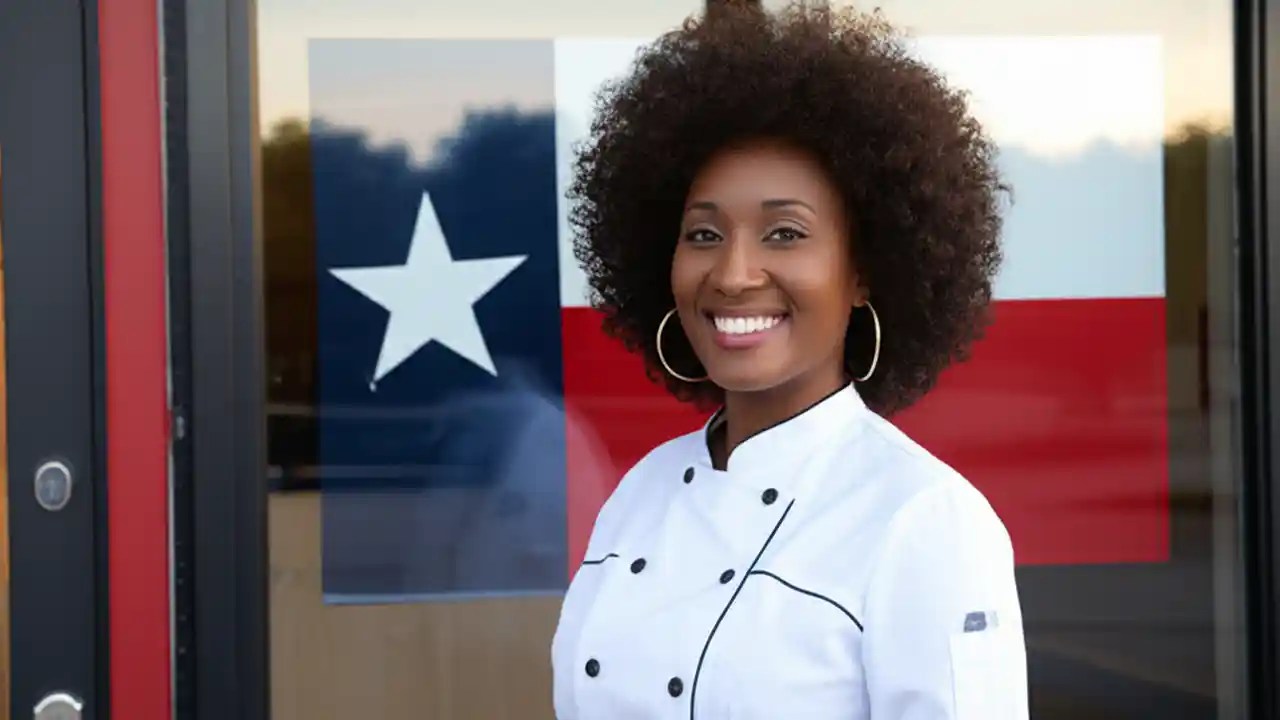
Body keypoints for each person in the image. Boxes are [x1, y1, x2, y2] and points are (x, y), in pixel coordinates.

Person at [551, 2, 1028, 718]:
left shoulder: (924, 521)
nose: (734, 274)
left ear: (864, 269)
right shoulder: (640, 494)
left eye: (783, 233)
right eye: (704, 234)